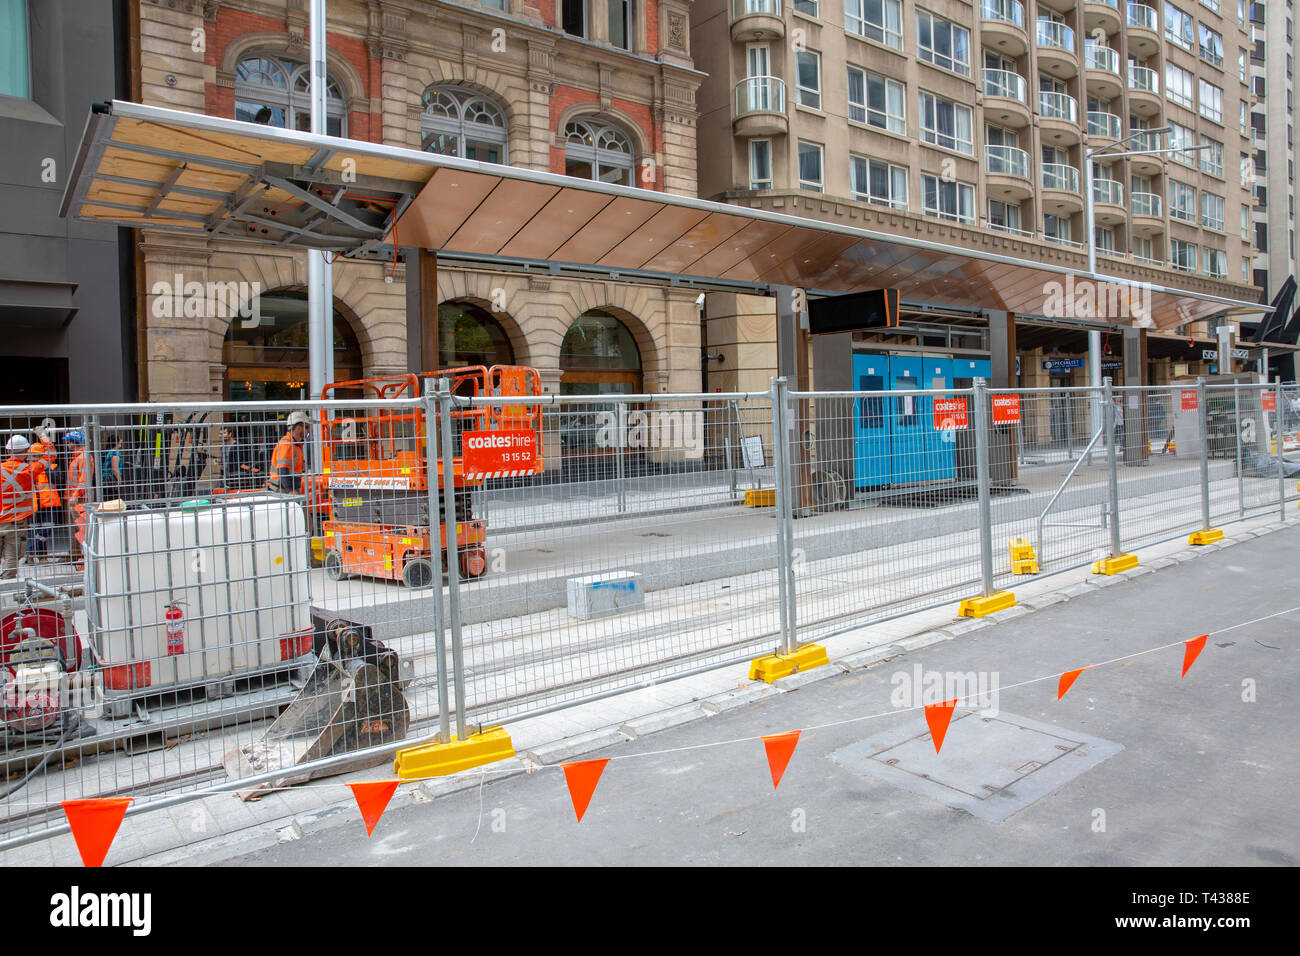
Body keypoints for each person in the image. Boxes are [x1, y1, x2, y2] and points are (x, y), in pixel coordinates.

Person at [0, 436, 38, 579]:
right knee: (12, 555)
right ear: (27, 451)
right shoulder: (31, 469)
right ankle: (7, 581)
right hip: (17, 519)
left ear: (8, 450)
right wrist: (44, 437)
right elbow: (50, 455)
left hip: (1, 517)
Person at [26, 440, 61, 561]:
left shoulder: (52, 466)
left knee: (47, 527)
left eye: (37, 455)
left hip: (49, 502)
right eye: (32, 455)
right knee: (33, 528)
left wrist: (46, 468)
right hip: (33, 503)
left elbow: (58, 480)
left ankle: (30, 552)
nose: (34, 458)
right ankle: (41, 557)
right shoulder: (27, 468)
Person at [267, 411, 311, 494]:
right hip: (282, 490)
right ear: (298, 428)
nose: (308, 431)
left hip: (287, 488)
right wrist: (290, 490)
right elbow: (282, 470)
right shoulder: (286, 445)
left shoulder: (296, 445)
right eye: (307, 427)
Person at [65, 431, 89, 566]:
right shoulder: (77, 457)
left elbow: (84, 480)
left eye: (68, 441)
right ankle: (76, 557)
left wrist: (75, 496)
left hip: (79, 500)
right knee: (76, 530)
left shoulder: (83, 457)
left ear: (73, 442)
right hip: (75, 499)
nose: (67, 444)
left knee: (82, 530)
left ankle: (83, 560)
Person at [220, 425, 262, 490]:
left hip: (236, 477)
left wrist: (256, 471)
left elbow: (242, 464)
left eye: (223, 433)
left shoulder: (238, 446)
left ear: (230, 434)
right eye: (220, 434)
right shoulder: (222, 447)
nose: (221, 436)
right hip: (225, 476)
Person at [101, 434, 123, 501]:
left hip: (105, 479)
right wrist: (119, 480)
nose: (121, 441)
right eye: (120, 440)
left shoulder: (107, 452)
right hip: (111, 480)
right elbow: (114, 468)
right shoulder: (115, 453)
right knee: (113, 500)